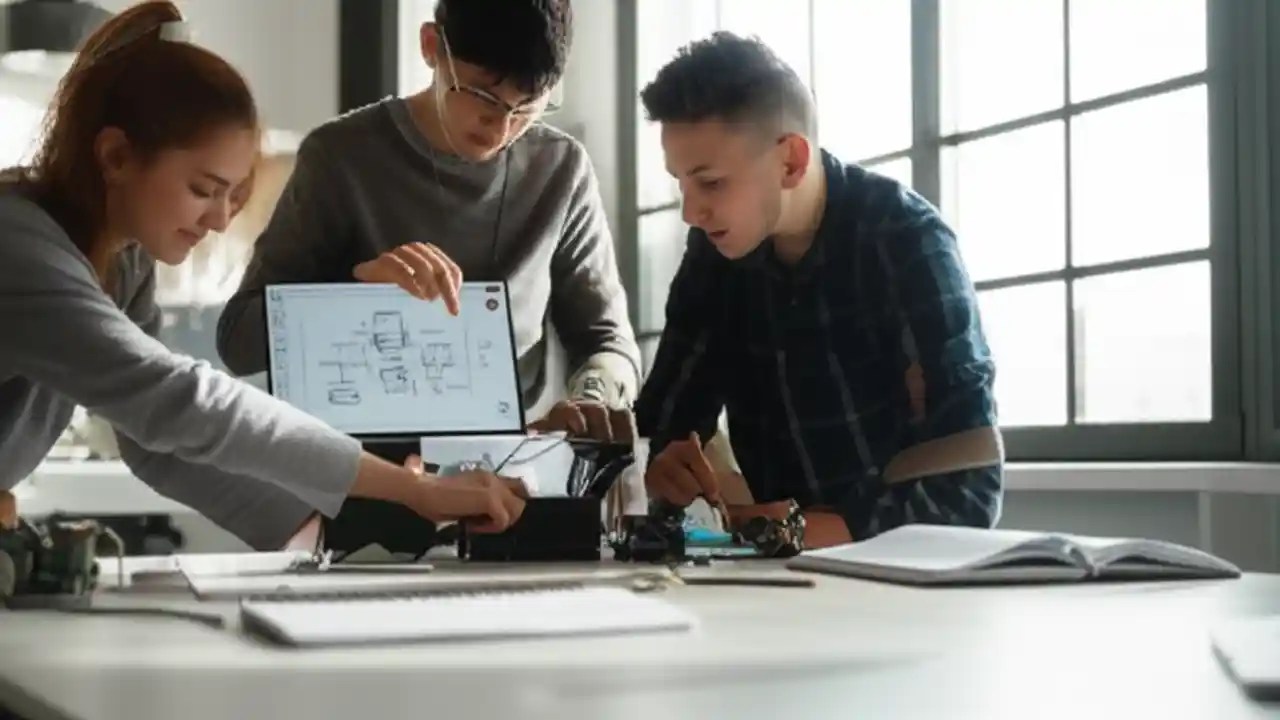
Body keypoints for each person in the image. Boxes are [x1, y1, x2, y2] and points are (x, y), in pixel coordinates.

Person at [0, 0, 526, 552]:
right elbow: (177, 400)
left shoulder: (123, 260)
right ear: (115, 156)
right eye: (203, 190)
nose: (221, 219)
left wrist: (322, 535)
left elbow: (155, 441)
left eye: (234, 195)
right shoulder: (19, 246)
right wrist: (408, 489)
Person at [633, 33, 1004, 548]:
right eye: (681, 184)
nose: (690, 212)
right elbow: (661, 429)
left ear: (790, 161)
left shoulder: (904, 239)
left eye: (711, 182)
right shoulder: (714, 259)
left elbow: (968, 490)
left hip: (904, 583)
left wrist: (783, 531)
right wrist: (665, 471)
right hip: (768, 578)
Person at [215, 0, 640, 441]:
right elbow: (238, 340)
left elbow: (609, 344)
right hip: (364, 470)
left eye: (527, 107)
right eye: (481, 97)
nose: (501, 128)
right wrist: (356, 296)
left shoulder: (560, 168)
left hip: (513, 473)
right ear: (430, 46)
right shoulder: (340, 158)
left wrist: (593, 396)